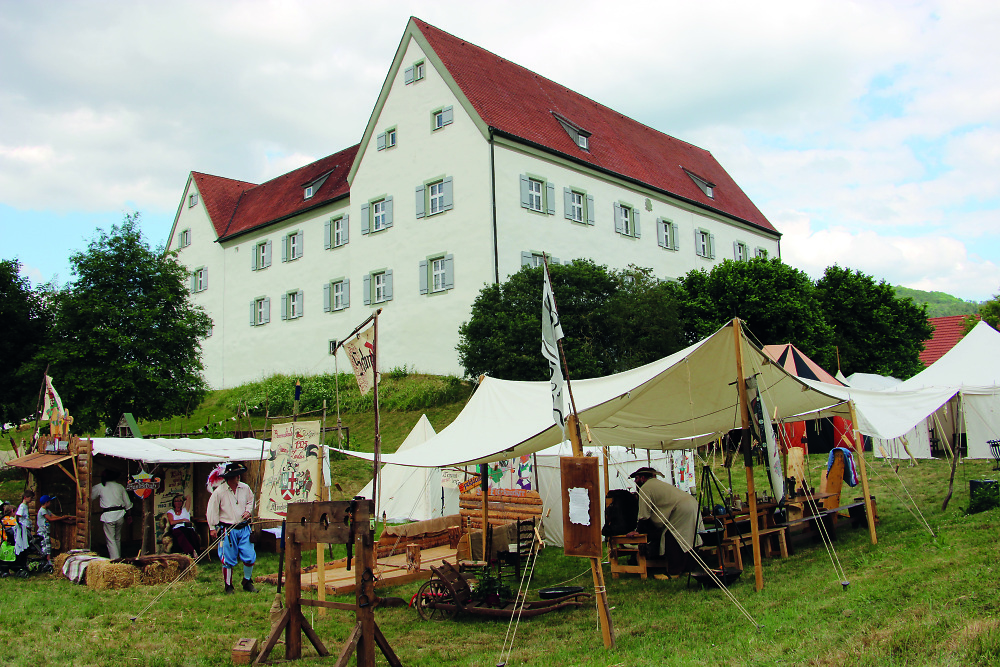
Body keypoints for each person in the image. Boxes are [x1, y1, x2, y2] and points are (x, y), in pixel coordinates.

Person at [626, 466, 701, 577]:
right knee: (689, 537)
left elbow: (643, 516)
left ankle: (673, 572)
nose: (635, 482)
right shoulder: (658, 484)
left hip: (680, 509)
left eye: (636, 478)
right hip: (692, 503)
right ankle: (688, 568)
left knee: (672, 538)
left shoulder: (645, 488)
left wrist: (638, 531)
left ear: (643, 478)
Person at [206, 462, 256, 594]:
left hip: (244, 528)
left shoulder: (245, 488)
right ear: (228, 477)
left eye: (238, 475)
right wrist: (212, 527)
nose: (238, 477)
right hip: (227, 530)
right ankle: (228, 585)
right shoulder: (219, 492)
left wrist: (248, 511)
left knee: (249, 555)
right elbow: (212, 510)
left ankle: (247, 581)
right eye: (235, 475)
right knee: (227, 558)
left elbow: (251, 501)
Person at [91, 469, 133, 559]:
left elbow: (89, 496)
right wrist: (129, 515)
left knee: (111, 540)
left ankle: (115, 560)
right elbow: (128, 504)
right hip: (120, 514)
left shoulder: (100, 486)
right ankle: (119, 558)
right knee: (117, 538)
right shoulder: (120, 487)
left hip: (109, 516)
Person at [36, 495, 70, 566]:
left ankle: (47, 561)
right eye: (49, 502)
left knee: (48, 546)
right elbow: (50, 518)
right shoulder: (42, 510)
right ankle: (47, 562)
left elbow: (53, 515)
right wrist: (61, 518)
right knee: (46, 547)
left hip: (46, 531)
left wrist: (63, 517)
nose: (50, 503)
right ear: (46, 502)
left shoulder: (47, 510)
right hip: (43, 532)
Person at [14, 490, 33, 559]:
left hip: (27, 527)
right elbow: (18, 515)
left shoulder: (26, 506)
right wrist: (20, 525)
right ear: (25, 497)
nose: (31, 500)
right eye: (30, 498)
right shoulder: (22, 506)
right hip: (24, 528)